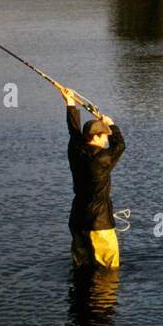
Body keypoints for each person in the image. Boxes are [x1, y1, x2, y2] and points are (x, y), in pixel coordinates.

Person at [59, 86, 124, 269]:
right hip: (99, 222)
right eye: (104, 137)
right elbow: (120, 146)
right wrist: (111, 124)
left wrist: (70, 103)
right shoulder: (102, 158)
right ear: (95, 137)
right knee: (109, 268)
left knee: (81, 267)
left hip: (77, 219)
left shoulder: (75, 149)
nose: (106, 141)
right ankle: (105, 297)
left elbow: (73, 130)